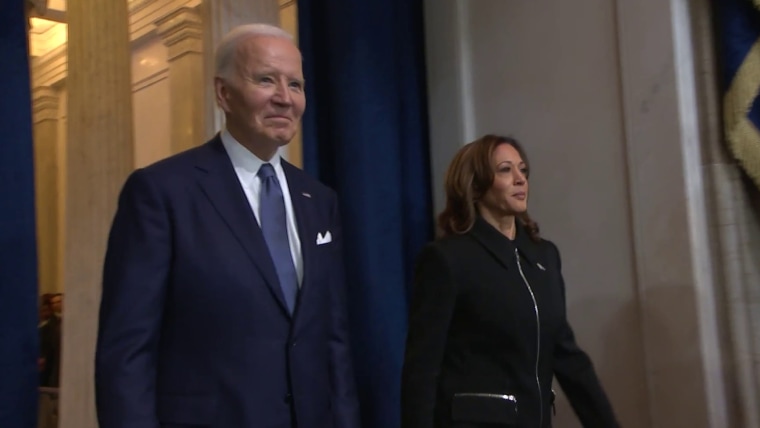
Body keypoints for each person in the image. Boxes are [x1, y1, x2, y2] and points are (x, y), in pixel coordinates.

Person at [95, 24, 360, 428]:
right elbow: (127, 352)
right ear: (223, 93)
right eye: (266, 80)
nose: (284, 98)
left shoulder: (319, 200)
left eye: (296, 84)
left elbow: (332, 340)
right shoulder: (162, 192)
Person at [400, 135, 618, 427]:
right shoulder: (447, 259)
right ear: (475, 185)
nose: (520, 179)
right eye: (505, 170)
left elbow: (567, 357)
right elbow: (422, 370)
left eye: (523, 170)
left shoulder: (545, 256)